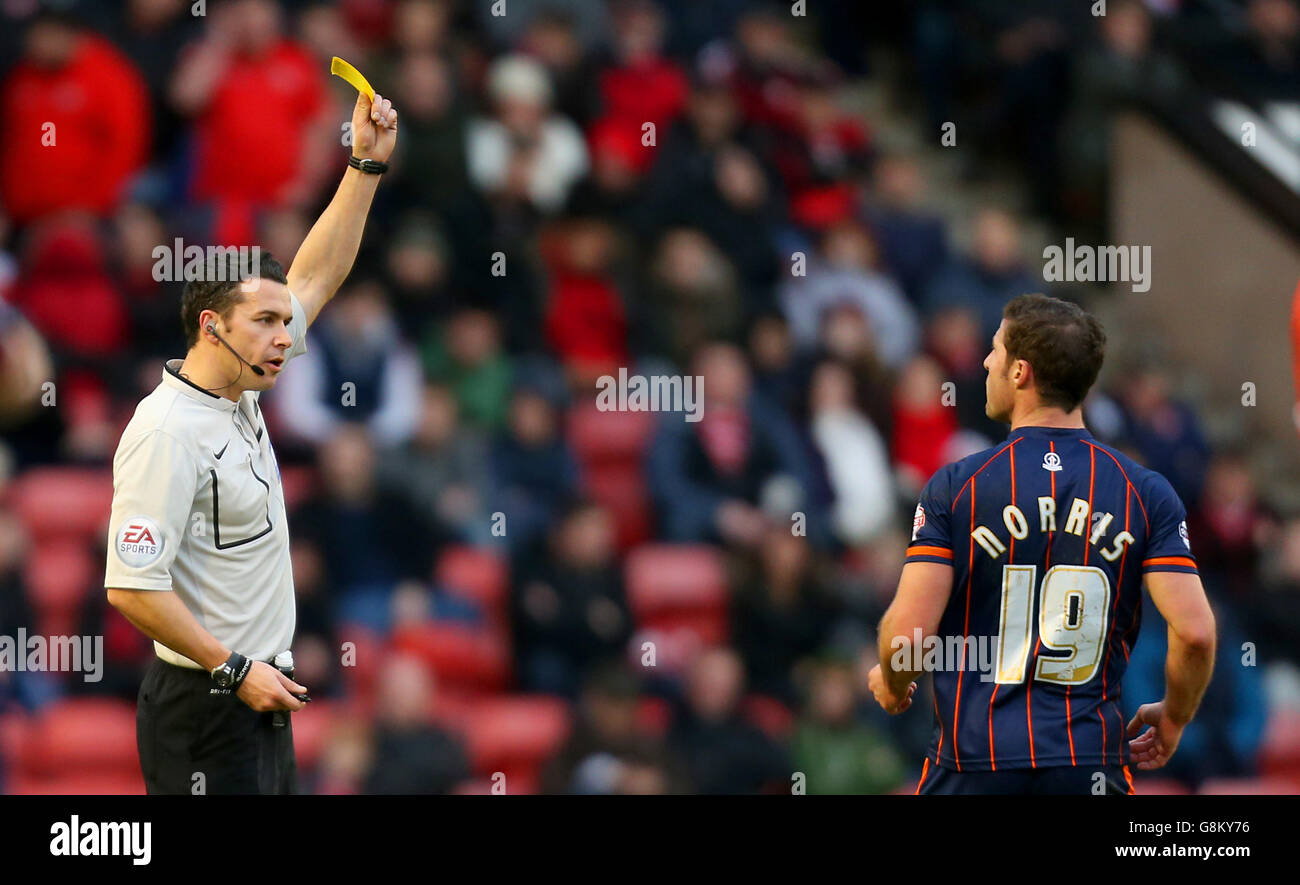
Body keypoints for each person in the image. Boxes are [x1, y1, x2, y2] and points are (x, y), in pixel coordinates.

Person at [103, 88, 399, 795]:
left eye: (283, 321)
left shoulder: (237, 392)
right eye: (266, 321)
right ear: (211, 326)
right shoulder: (167, 431)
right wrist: (232, 668)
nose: (285, 336)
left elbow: (319, 274)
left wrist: (363, 165)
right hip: (205, 703)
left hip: (258, 689)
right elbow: (130, 587)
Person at [869, 293, 1216, 795]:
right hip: (1089, 768)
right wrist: (1176, 716)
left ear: (1020, 372)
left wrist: (892, 682)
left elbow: (907, 637)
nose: (987, 361)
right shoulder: (1145, 491)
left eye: (995, 350)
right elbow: (1197, 633)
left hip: (972, 767)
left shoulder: (956, 487)